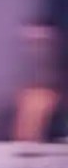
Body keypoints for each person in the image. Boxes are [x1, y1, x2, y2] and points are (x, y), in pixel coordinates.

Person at [12, 15, 61, 154]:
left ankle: (31, 147)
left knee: (33, 125)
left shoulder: (46, 45)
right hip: (32, 88)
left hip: (43, 88)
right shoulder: (35, 49)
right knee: (26, 127)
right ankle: (28, 147)